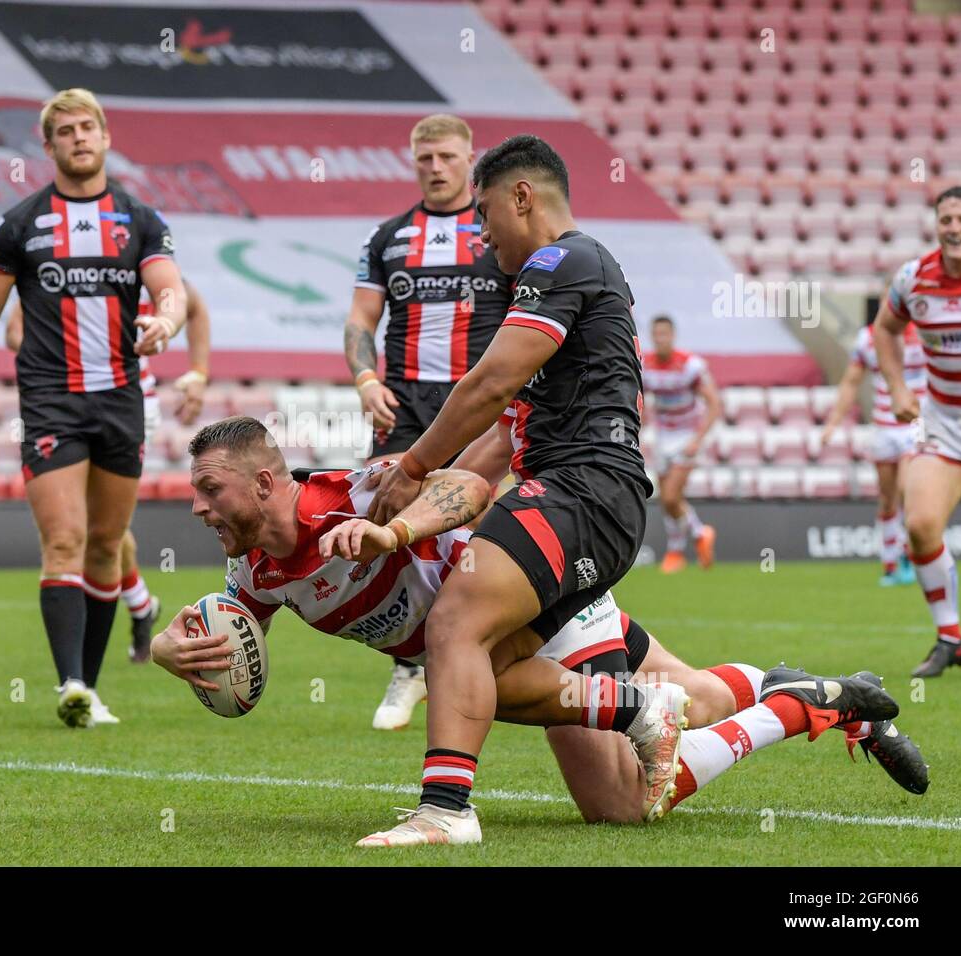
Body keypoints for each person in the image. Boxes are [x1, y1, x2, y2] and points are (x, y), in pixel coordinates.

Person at [147, 417, 914, 839]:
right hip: (511, 640)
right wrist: (163, 650)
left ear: (266, 483)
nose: (197, 508)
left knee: (617, 803)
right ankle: (802, 688)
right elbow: (227, 651)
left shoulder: (354, 493)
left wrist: (399, 526)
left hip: (543, 610)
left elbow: (467, 484)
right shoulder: (254, 574)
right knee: (699, 700)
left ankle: (796, 709)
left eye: (210, 490)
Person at [363, 134, 662, 844]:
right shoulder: (566, 287)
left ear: (522, 197)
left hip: (581, 490)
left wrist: (409, 468)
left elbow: (487, 386)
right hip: (588, 499)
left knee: (453, 621)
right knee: (485, 667)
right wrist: (431, 482)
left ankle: (445, 812)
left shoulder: (564, 260)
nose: (480, 231)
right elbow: (500, 434)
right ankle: (659, 708)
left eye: (487, 211)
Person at [0, 88, 187, 727]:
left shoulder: (141, 220)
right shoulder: (17, 225)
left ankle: (88, 691)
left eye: (87, 126)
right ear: (46, 146)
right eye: (64, 130)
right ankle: (68, 682)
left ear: (106, 134)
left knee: (104, 544)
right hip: (50, 404)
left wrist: (165, 323)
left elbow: (170, 289)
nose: (77, 137)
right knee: (64, 539)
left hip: (121, 400)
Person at [344, 114, 511, 731]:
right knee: (387, 525)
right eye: (424, 159)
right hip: (407, 404)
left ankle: (474, 653)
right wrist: (366, 378)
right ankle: (409, 663)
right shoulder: (387, 238)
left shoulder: (495, 230)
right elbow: (362, 321)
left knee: (478, 532)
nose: (435, 168)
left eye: (446, 156)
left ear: (470, 158)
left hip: (478, 406)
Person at [4, 279, 212, 662]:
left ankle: (134, 608)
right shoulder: (58, 271)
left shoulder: (142, 265)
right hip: (67, 403)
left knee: (95, 528)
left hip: (127, 404)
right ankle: (141, 604)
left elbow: (194, 306)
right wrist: (62, 348)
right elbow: (14, 331)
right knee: (94, 528)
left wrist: (198, 373)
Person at [873, 185, 961, 677]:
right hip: (947, 425)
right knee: (921, 524)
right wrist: (898, 387)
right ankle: (951, 638)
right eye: (947, 218)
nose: (955, 227)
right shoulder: (915, 278)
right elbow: (884, 329)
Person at [821, 316, 926, 585]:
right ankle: (890, 563)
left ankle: (907, 555)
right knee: (887, 498)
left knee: (907, 489)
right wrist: (833, 422)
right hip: (883, 426)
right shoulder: (868, 339)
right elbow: (851, 381)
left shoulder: (925, 332)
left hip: (916, 424)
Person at [641, 315, 720, 573]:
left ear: (672, 336)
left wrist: (697, 440)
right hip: (662, 438)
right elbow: (638, 402)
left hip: (686, 437)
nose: (660, 339)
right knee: (667, 500)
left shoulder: (689, 365)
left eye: (665, 334)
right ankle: (679, 549)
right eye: (656, 334)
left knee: (673, 496)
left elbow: (714, 403)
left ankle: (697, 535)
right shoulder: (646, 365)